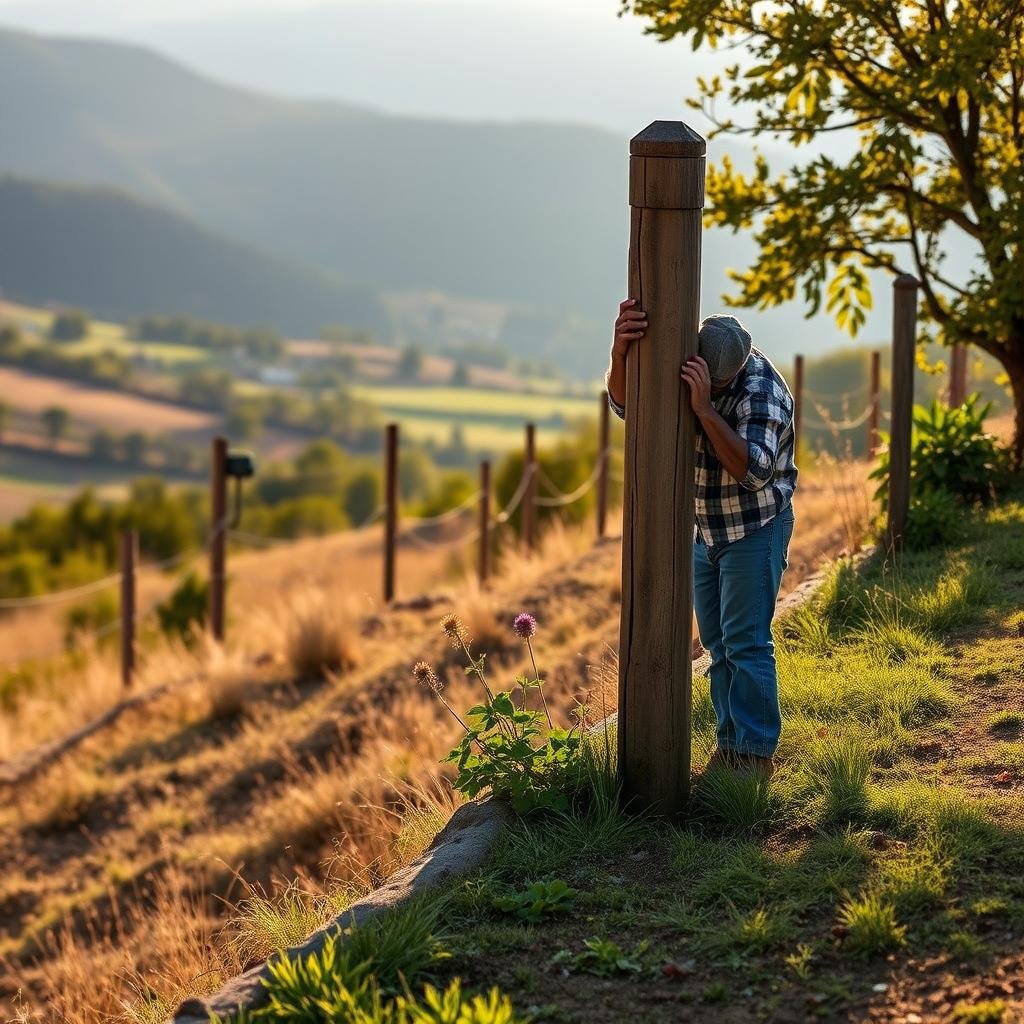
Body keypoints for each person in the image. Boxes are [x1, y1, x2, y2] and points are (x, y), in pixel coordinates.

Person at [605, 300, 798, 778]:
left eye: (718, 385)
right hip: (705, 526)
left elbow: (753, 473)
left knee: (746, 641)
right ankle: (730, 744)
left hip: (754, 526)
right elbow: (626, 407)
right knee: (716, 643)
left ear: (734, 373)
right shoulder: (687, 362)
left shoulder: (762, 391)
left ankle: (754, 755)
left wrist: (705, 410)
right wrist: (620, 352)